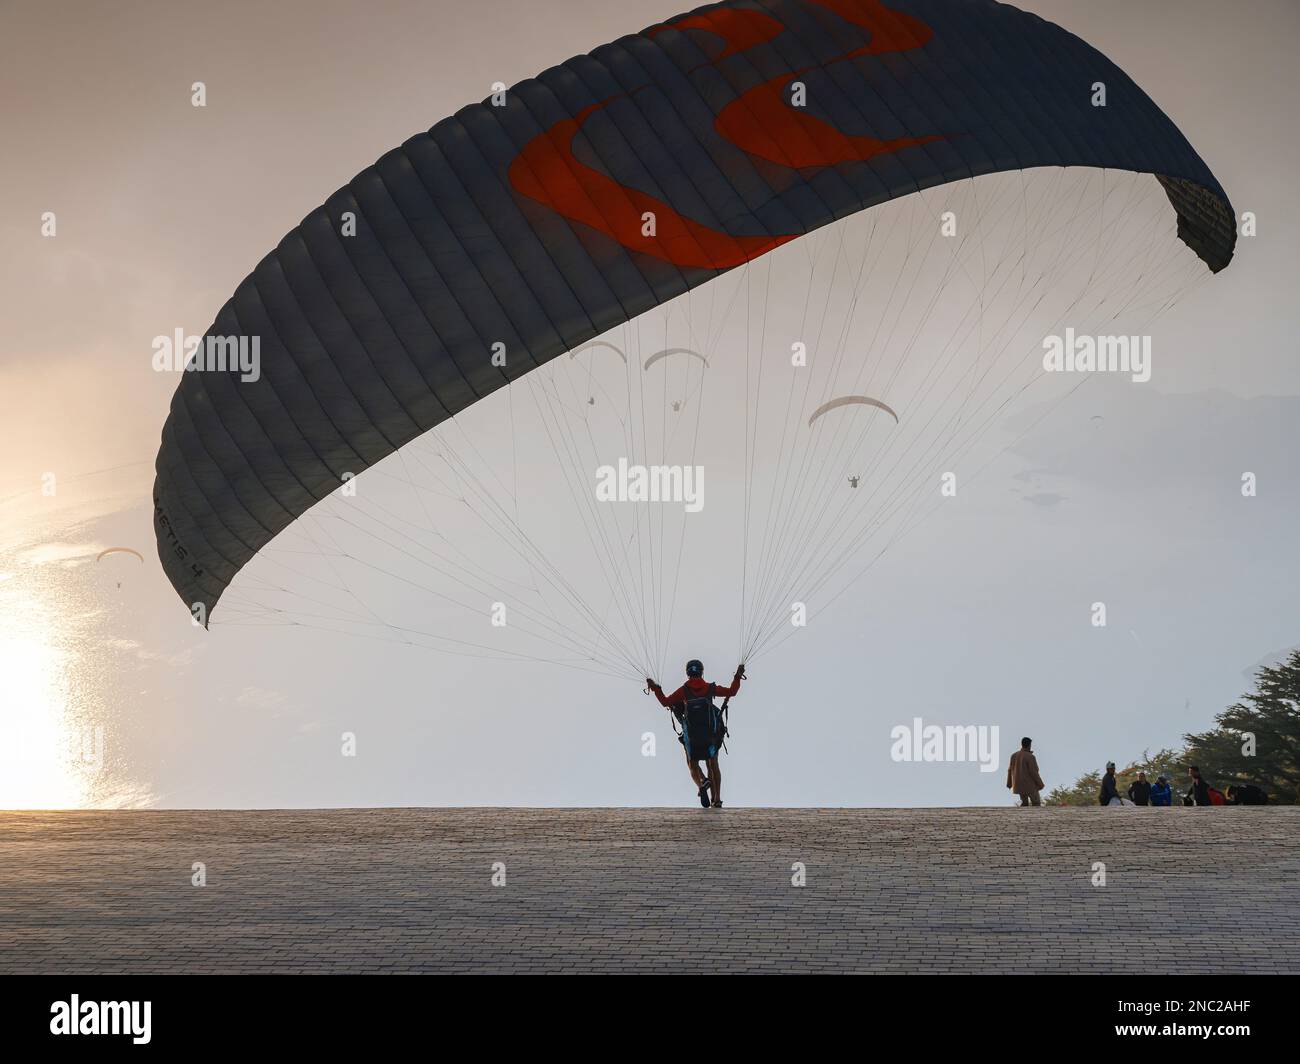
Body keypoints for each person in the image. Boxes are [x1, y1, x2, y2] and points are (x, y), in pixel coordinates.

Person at [647, 660, 744, 808]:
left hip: (692, 737)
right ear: (702, 672)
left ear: (687, 673)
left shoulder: (683, 691)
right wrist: (737, 676)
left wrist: (655, 689)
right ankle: (716, 799)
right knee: (713, 762)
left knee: (692, 763)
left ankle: (702, 781)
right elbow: (732, 691)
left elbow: (666, 702)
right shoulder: (709, 688)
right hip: (710, 735)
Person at [1006, 736, 1045, 806]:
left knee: (1024, 804)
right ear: (1029, 745)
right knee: (1036, 803)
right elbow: (1034, 772)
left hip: (1019, 785)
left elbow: (1009, 770)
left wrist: (1009, 783)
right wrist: (1040, 784)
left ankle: (1023, 817)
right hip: (1030, 786)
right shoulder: (1030, 757)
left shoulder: (1014, 756)